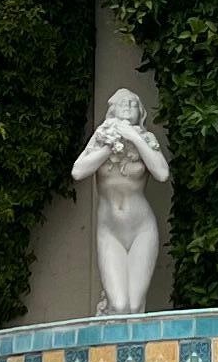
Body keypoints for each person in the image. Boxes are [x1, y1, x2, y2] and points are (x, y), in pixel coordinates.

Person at [71, 84, 171, 314]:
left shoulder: (146, 139)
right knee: (119, 304)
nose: (128, 106)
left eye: (134, 104)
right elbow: (78, 171)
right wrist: (110, 145)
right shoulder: (101, 138)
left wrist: (134, 138)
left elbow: (162, 173)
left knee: (135, 306)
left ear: (140, 113)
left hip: (141, 228)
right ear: (113, 110)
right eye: (123, 103)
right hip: (110, 230)